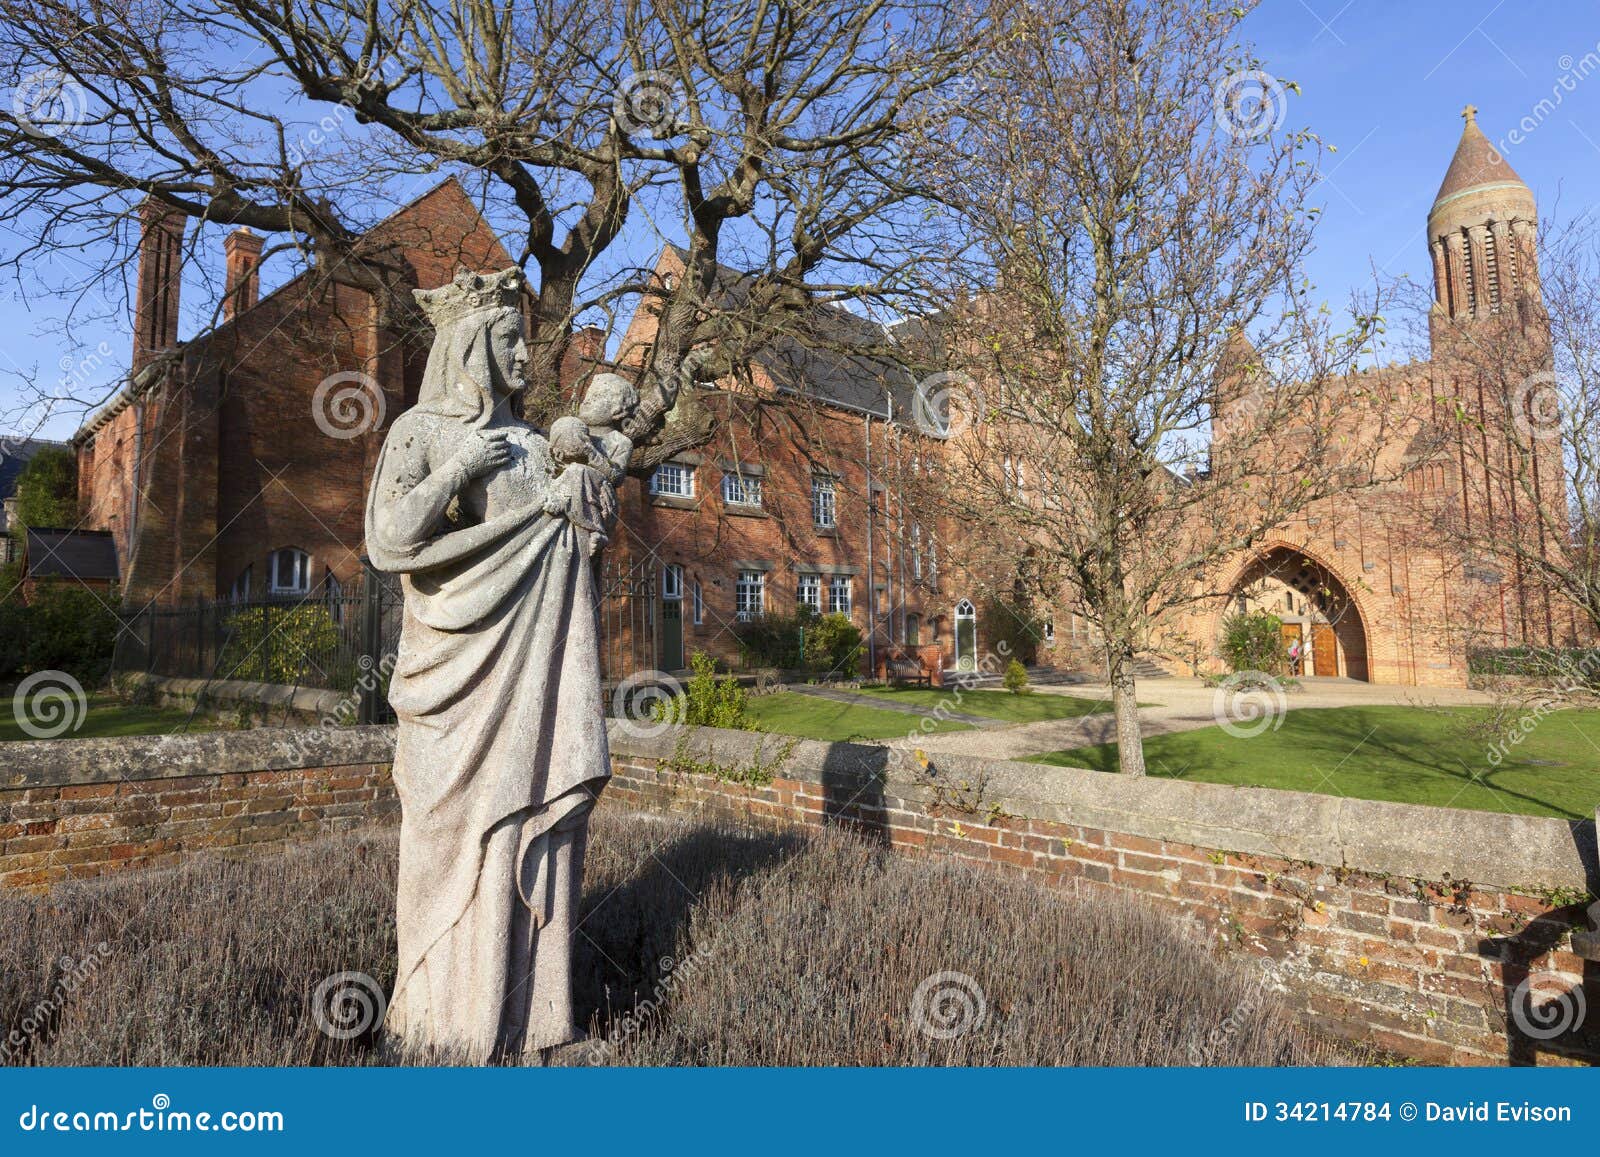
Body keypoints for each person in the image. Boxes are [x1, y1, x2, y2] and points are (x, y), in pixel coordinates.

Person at [363, 267, 613, 1062]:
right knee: (446, 840)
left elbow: (572, 555)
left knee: (531, 821)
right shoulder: (419, 432)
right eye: (506, 338)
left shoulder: (540, 443)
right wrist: (459, 468)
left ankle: (532, 1022)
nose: (522, 355)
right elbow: (391, 542)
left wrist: (585, 496)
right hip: (452, 682)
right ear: (468, 346)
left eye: (523, 338)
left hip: (530, 677)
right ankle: (444, 1024)